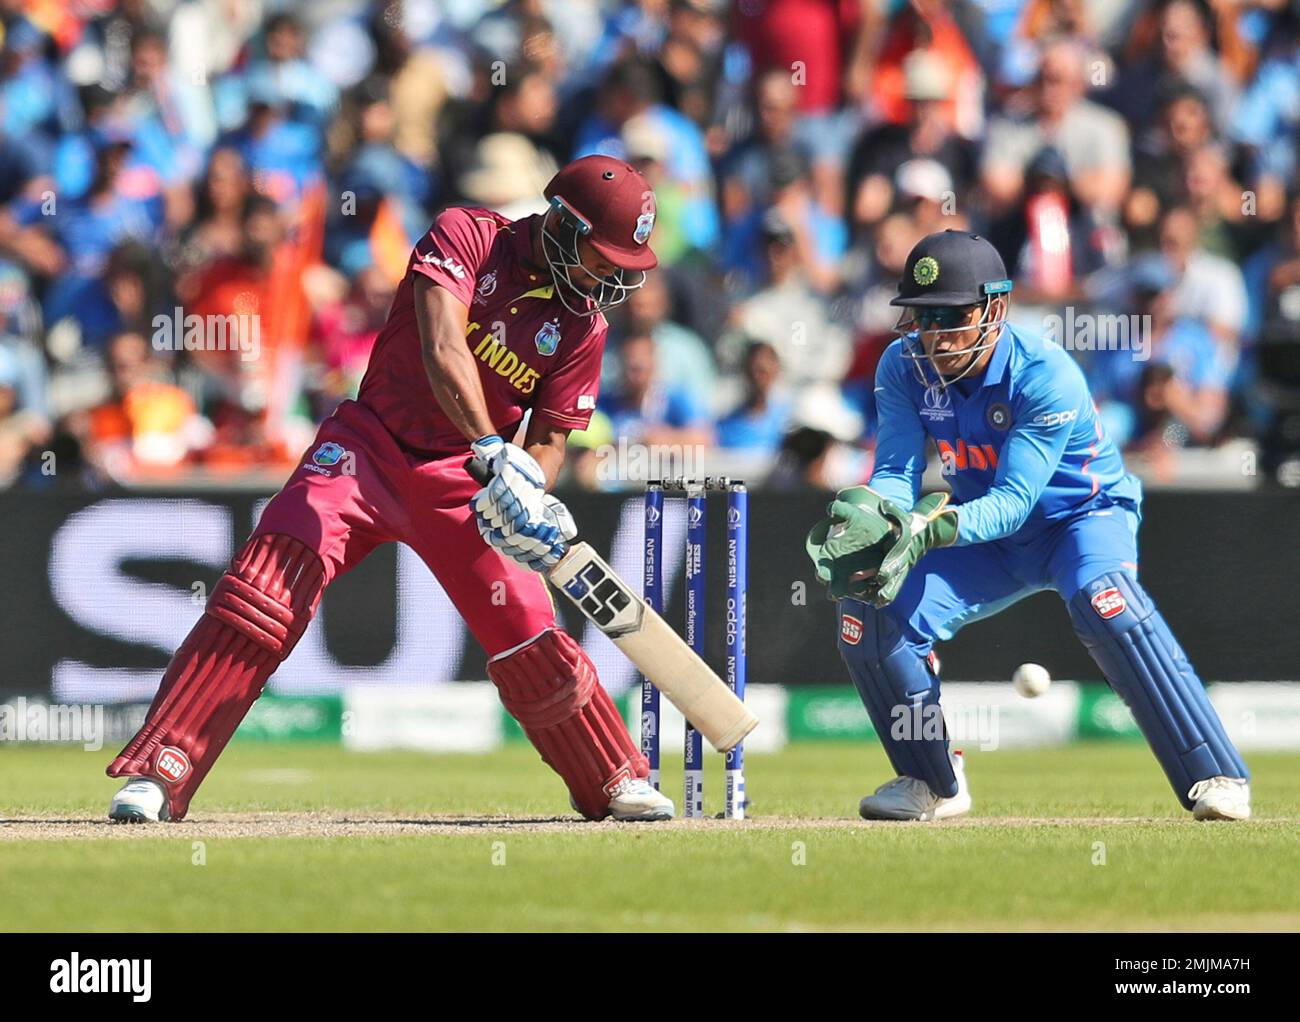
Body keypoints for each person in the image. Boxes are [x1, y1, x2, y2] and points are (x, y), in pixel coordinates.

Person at [106, 155, 675, 824]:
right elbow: (442, 347)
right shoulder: (467, 235)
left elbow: (549, 438)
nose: (609, 276)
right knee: (265, 589)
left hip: (464, 482)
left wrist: (528, 490)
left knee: (529, 633)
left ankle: (612, 779)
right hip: (367, 447)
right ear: (560, 224)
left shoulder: (584, 327)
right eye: (602, 257)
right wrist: (496, 448)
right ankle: (161, 770)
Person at [805, 230, 1250, 822]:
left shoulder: (1046, 375)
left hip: (1080, 520)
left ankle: (1216, 775)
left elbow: (1016, 499)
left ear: (995, 307)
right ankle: (930, 778)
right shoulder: (902, 367)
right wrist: (883, 520)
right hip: (985, 537)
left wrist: (927, 530)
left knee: (1106, 600)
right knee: (867, 610)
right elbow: (896, 470)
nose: (933, 335)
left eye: (951, 315)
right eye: (921, 316)